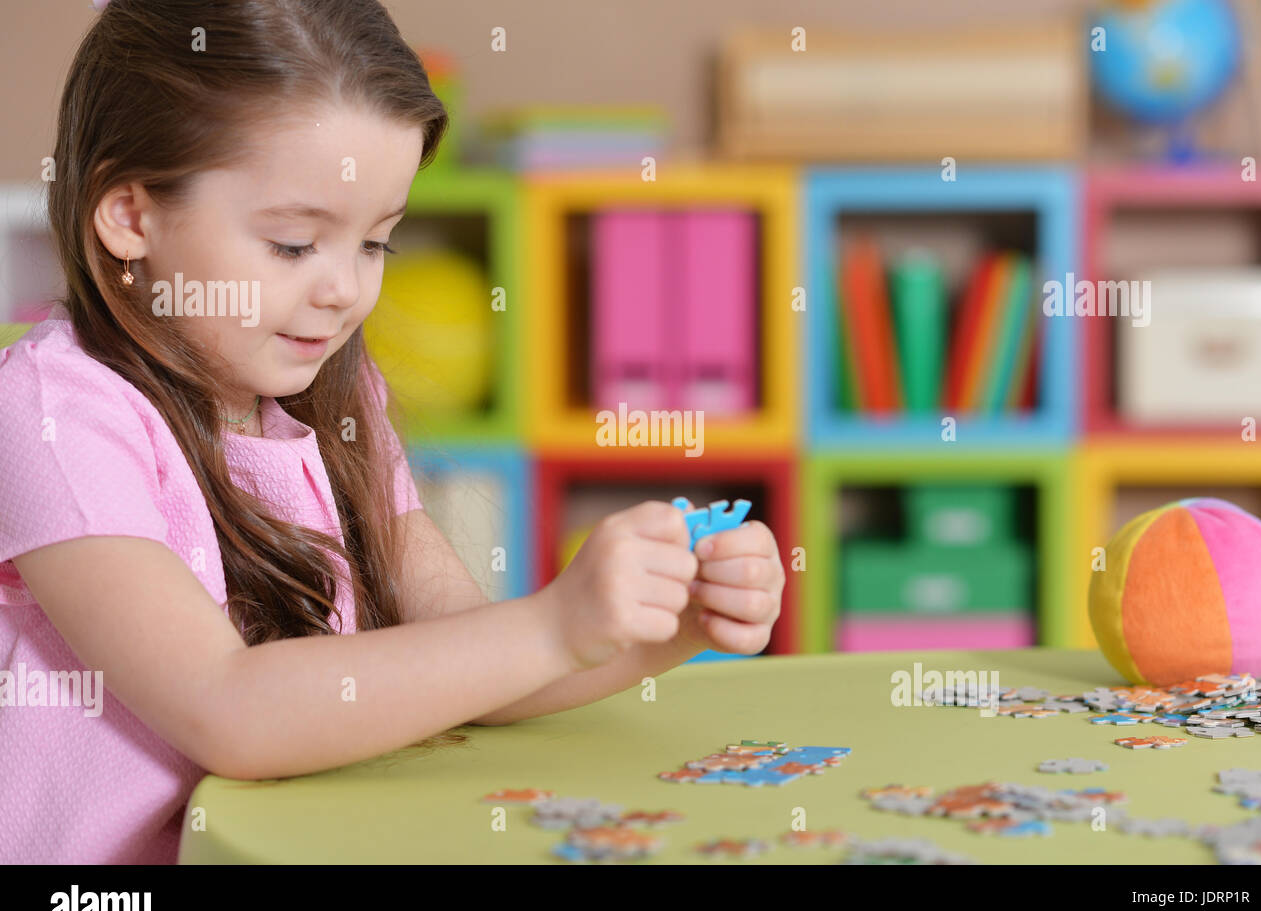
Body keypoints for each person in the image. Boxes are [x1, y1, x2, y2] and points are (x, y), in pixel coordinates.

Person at [0, 0, 784, 864]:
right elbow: (226, 709)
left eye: (377, 243)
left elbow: (463, 662)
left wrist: (660, 627)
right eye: (296, 244)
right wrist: (556, 624)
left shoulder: (335, 393)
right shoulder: (53, 413)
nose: (344, 290)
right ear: (131, 217)